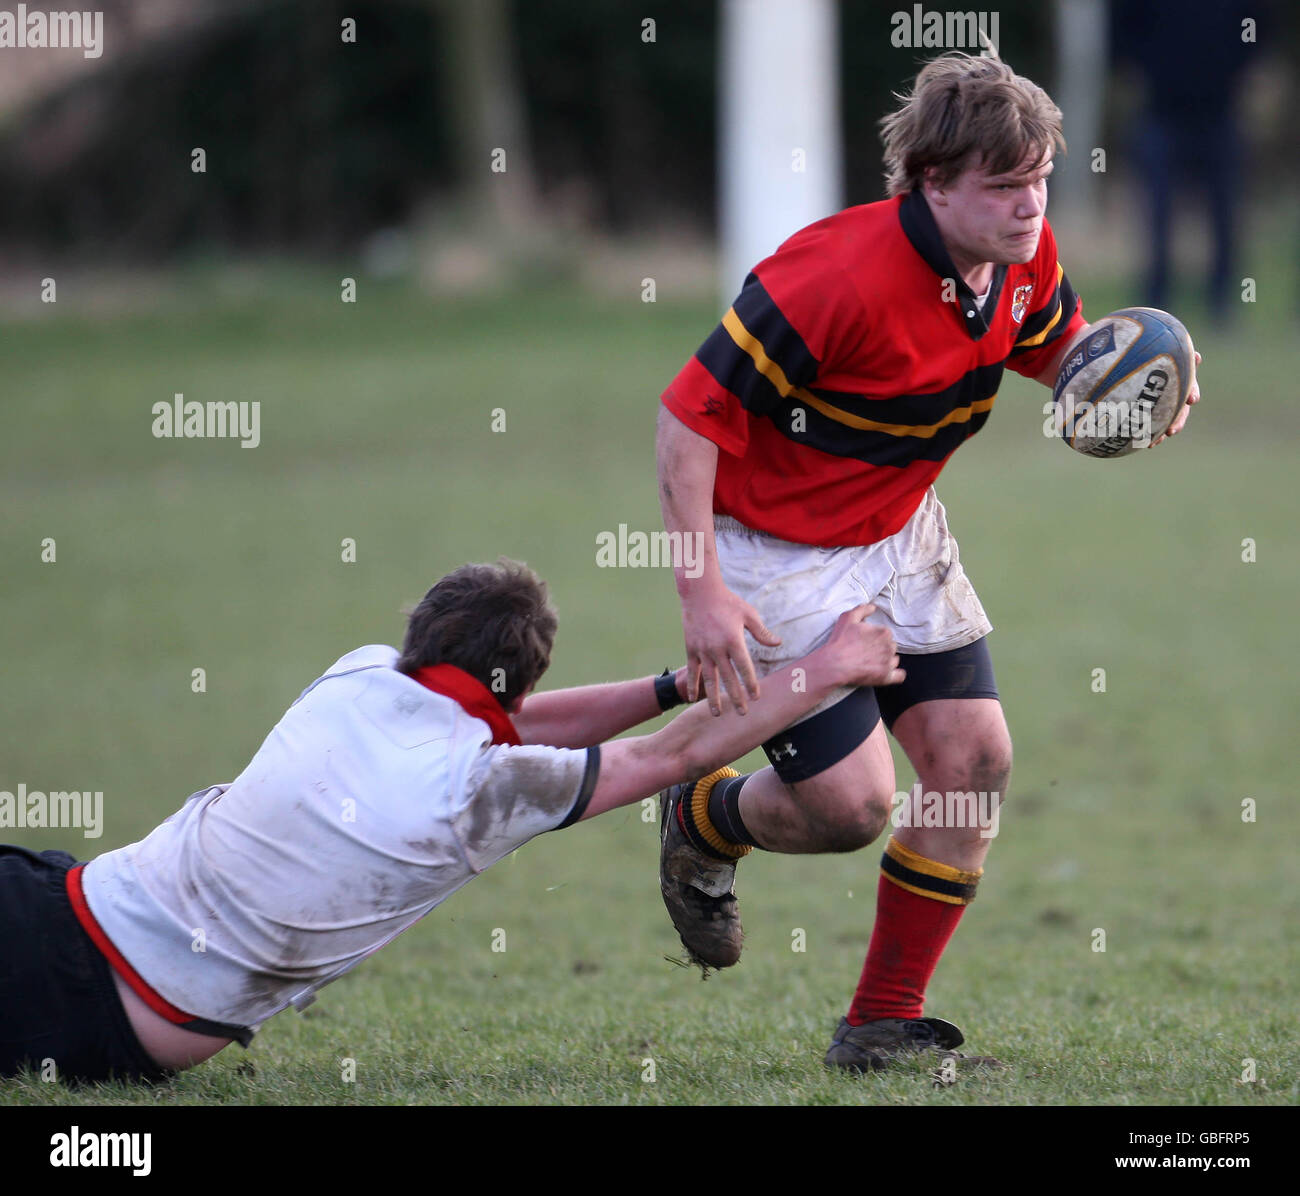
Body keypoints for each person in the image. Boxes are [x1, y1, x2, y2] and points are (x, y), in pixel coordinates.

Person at [654, 52, 1201, 1072]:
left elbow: (1059, 353)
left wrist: (1138, 381)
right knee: (851, 809)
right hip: (778, 554)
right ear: (932, 182)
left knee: (974, 762)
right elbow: (686, 420)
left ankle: (879, 1023)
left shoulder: (1021, 254)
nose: (1029, 204)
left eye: (1038, 178)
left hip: (902, 533)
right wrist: (703, 589)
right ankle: (702, 812)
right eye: (1002, 185)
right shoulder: (831, 276)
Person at [0, 558, 902, 1084]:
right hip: (103, 1011)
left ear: (418, 636)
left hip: (60, 897)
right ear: (526, 679)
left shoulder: (358, 676)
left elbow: (516, 723)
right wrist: (829, 668)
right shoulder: (478, 796)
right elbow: (666, 761)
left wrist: (675, 684)